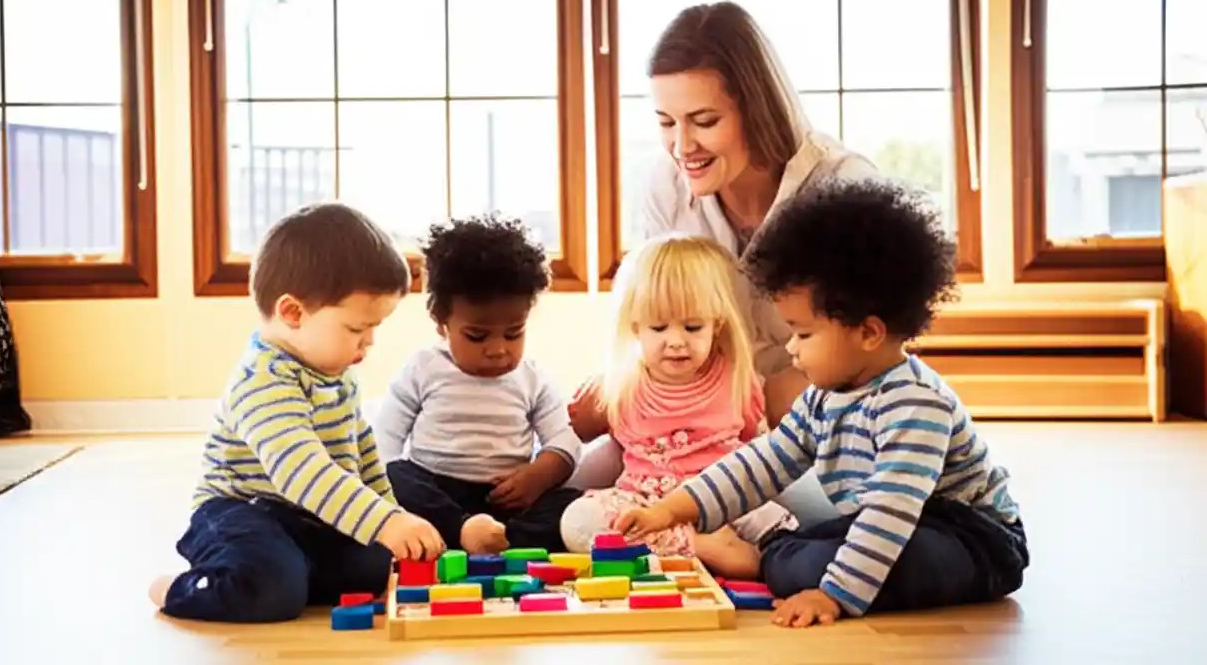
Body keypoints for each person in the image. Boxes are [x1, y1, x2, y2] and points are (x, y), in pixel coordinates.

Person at [615, 177, 1029, 628]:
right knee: (803, 554)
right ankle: (788, 560)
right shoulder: (824, 396)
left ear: (868, 333)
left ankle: (812, 570)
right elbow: (762, 463)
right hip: (888, 521)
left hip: (973, 537)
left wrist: (833, 596)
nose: (791, 349)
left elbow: (891, 509)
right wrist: (672, 508)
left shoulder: (916, 406)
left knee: (834, 563)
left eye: (804, 334)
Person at [571, 0, 877, 447]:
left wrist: (744, 403)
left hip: (821, 410)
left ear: (756, 110)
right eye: (665, 123)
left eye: (704, 121)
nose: (681, 146)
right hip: (702, 402)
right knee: (584, 452)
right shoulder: (662, 185)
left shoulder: (844, 188)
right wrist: (625, 389)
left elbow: (862, 353)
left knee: (805, 505)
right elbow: (660, 317)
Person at [149, 203, 445, 623]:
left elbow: (363, 459)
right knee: (271, 591)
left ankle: (295, 571)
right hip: (240, 511)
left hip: (303, 518)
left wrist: (391, 524)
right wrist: (384, 522)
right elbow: (301, 471)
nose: (369, 343)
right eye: (357, 329)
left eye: (373, 329)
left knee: (373, 563)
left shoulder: (334, 375)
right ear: (292, 313)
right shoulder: (262, 381)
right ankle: (181, 589)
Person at [557, 233, 798, 579]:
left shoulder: (737, 379)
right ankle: (701, 547)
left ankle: (716, 547)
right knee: (577, 521)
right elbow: (574, 430)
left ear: (717, 325)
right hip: (646, 504)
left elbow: (754, 444)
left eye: (692, 326)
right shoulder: (619, 385)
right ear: (636, 327)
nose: (676, 341)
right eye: (659, 327)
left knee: (787, 529)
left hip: (723, 495)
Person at [375, 214, 583, 554]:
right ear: (442, 322)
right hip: (438, 492)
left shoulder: (532, 378)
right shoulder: (423, 368)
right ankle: (465, 532)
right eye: (477, 336)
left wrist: (538, 476)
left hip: (508, 498)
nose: (498, 349)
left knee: (573, 505)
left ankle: (503, 540)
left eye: (514, 333)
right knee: (396, 477)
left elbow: (565, 437)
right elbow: (384, 440)